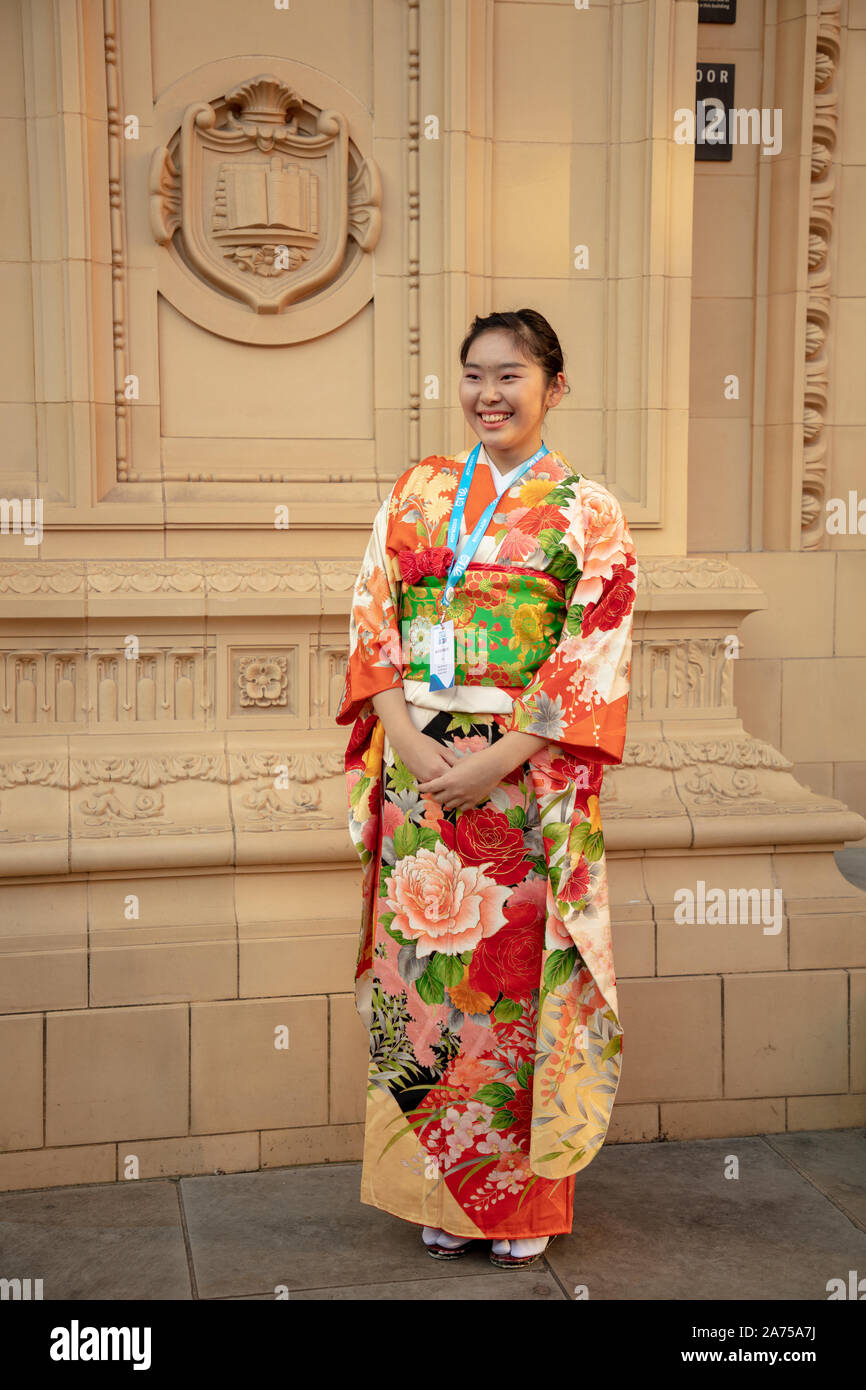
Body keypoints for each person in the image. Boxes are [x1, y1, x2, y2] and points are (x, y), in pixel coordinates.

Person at [336, 308, 637, 1269]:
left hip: (525, 779)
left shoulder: (588, 510)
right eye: (473, 375)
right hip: (419, 769)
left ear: (555, 385)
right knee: (425, 983)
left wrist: (500, 755)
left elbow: (596, 645)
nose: (488, 395)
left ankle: (519, 1206)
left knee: (514, 986)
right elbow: (370, 620)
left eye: (510, 375)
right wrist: (407, 741)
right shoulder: (415, 493)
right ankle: (434, 1188)